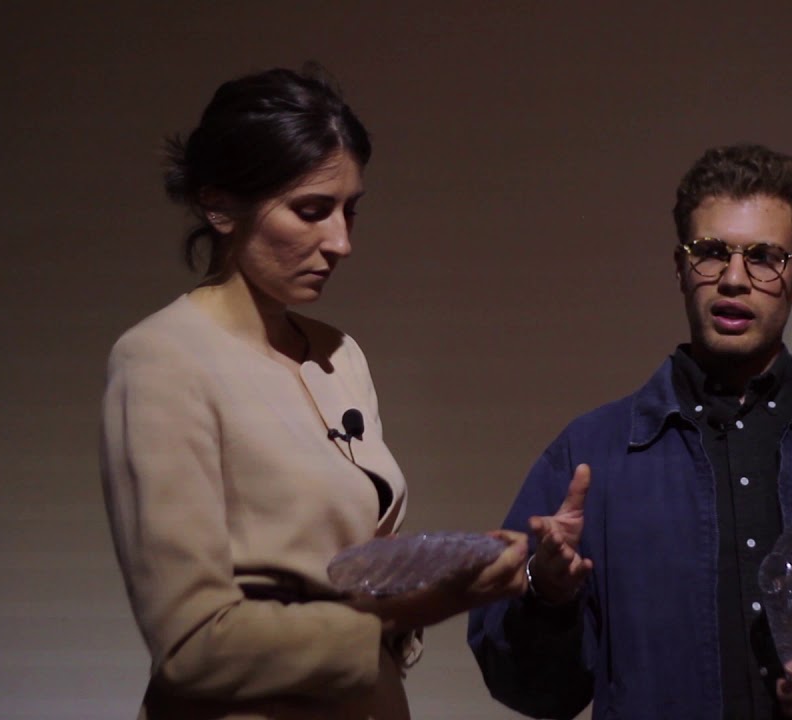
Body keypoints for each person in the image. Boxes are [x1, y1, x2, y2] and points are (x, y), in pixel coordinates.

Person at [468, 144, 792, 719]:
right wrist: (549, 596)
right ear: (680, 268)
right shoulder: (591, 456)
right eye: (711, 252)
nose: (733, 279)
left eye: (764, 257)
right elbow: (527, 687)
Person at [100, 65, 527, 720]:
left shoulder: (339, 355)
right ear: (219, 206)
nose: (341, 242)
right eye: (311, 210)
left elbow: (362, 570)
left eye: (350, 210)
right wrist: (409, 610)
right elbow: (191, 644)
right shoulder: (162, 361)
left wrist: (470, 570)